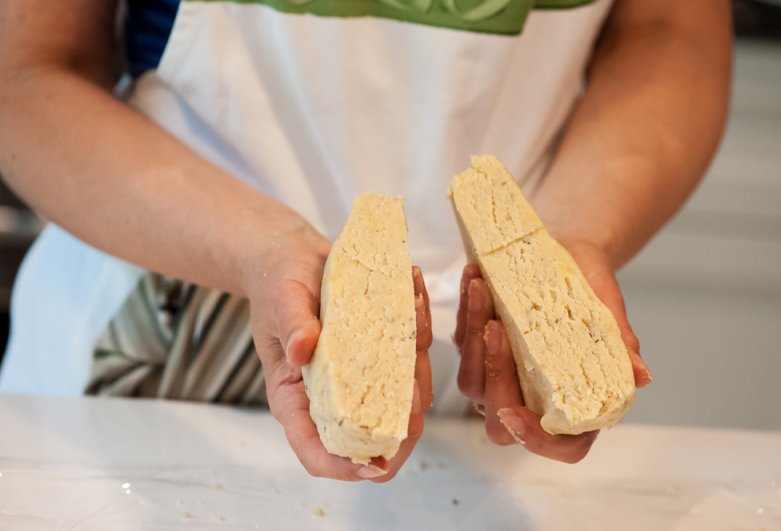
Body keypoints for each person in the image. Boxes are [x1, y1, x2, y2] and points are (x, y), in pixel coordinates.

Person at [0, 0, 731, 481]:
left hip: (490, 361)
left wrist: (567, 242)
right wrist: (260, 247)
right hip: (161, 333)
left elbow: (668, 35)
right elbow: (25, 73)